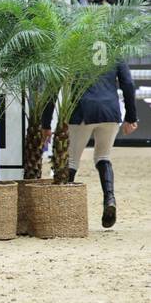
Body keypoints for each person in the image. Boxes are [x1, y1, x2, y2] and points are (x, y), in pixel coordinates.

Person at [59, 61, 137, 228]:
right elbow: (128, 83)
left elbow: (55, 82)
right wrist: (131, 116)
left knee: (72, 161)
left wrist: (45, 123)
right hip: (110, 110)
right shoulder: (113, 48)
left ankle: (65, 210)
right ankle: (110, 198)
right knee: (103, 157)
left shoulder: (76, 41)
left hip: (82, 110)